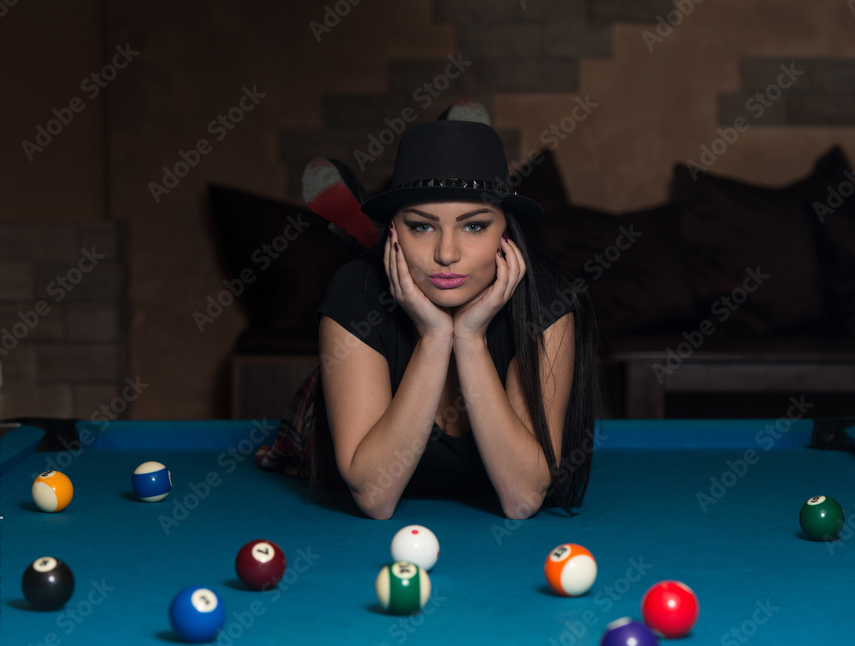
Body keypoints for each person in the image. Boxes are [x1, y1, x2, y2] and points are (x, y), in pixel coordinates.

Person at [257, 113, 602, 520]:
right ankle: (373, 241)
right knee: (288, 444)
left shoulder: (547, 301)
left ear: (505, 233)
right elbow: (374, 497)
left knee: (417, 269)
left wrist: (470, 338)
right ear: (396, 232)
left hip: (410, 277)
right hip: (319, 412)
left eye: (474, 226)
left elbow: (523, 497)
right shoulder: (355, 294)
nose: (447, 253)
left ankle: (373, 236)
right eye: (421, 227)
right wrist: (435, 335)